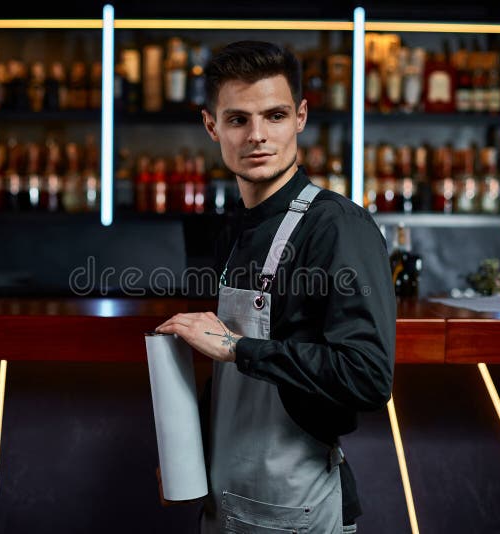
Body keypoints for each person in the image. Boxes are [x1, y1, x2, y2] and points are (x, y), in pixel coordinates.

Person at [155, 40, 396, 534]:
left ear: (302, 117)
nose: (258, 136)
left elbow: (369, 377)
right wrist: (185, 451)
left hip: (295, 509)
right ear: (212, 126)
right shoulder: (230, 232)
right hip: (225, 502)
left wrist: (239, 348)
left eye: (276, 115)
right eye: (239, 119)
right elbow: (231, 380)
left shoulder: (336, 227)